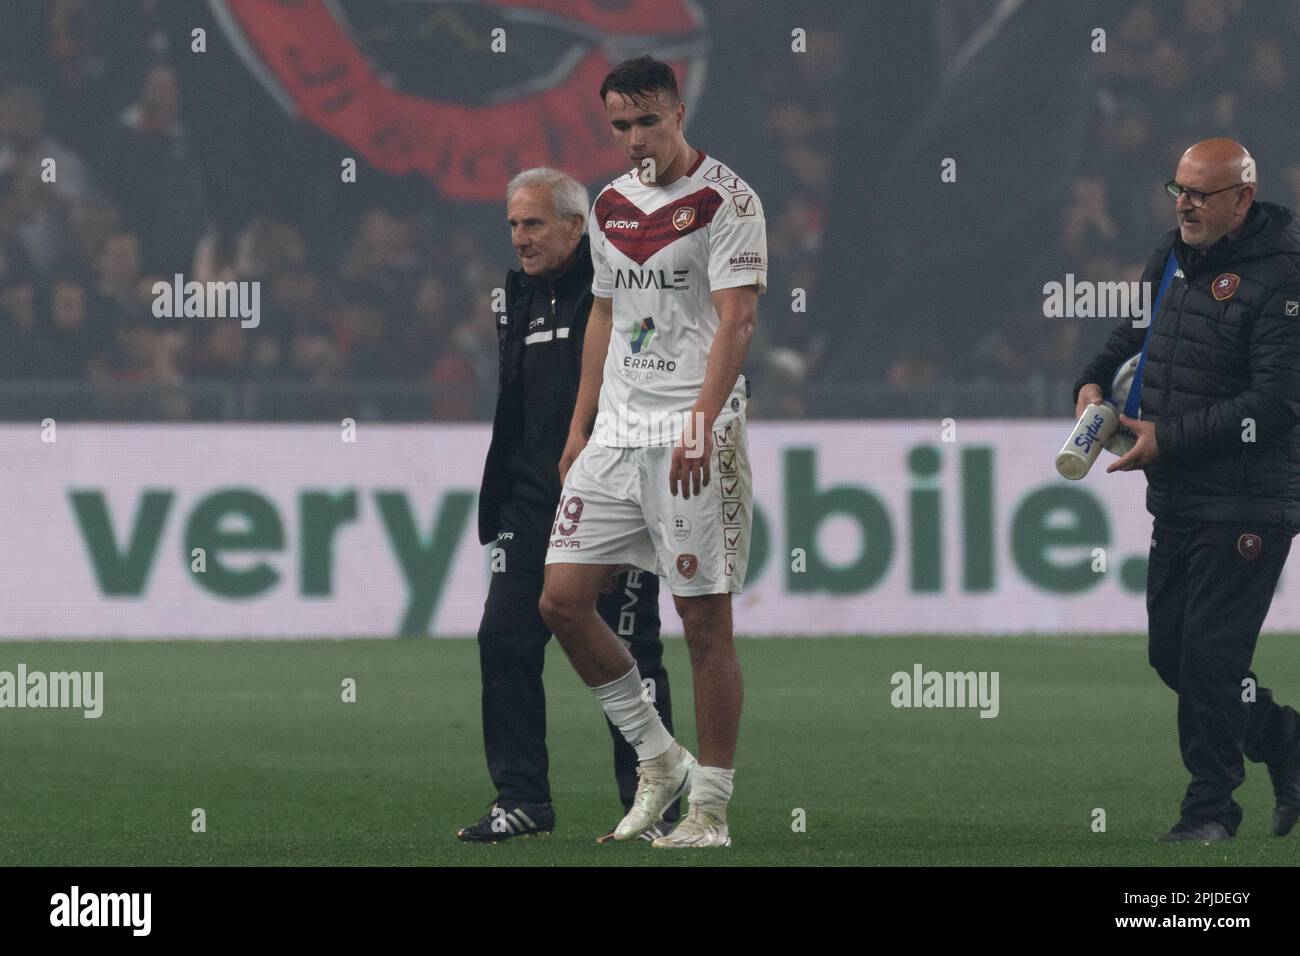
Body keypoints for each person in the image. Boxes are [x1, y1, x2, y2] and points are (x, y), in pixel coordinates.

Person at [538, 56, 767, 848]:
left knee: (702, 625)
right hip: (616, 435)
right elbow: (602, 316)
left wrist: (704, 419)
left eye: (647, 122)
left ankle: (711, 808)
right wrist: (580, 426)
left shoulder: (727, 201)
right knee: (562, 601)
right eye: (620, 127)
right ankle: (658, 756)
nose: (635, 139)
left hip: (690, 432)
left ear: (677, 111)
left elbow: (736, 319)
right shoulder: (608, 202)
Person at [1074, 138, 1300, 843]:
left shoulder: (1284, 278)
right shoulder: (1171, 257)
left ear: (1243, 198)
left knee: (1210, 656)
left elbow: (1276, 402)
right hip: (1178, 496)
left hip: (1251, 500)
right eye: (1179, 190)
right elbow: (1134, 339)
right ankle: (1287, 743)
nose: (1186, 204)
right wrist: (1089, 378)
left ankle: (1210, 812)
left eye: (1202, 194)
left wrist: (1166, 438)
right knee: (1170, 654)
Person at [457, 166, 678, 844]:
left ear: (575, 226)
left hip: (611, 494)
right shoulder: (516, 292)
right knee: (504, 637)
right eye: (514, 226)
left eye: (533, 224)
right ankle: (523, 798)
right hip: (531, 497)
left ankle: (649, 802)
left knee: (631, 649)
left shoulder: (620, 284)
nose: (520, 239)